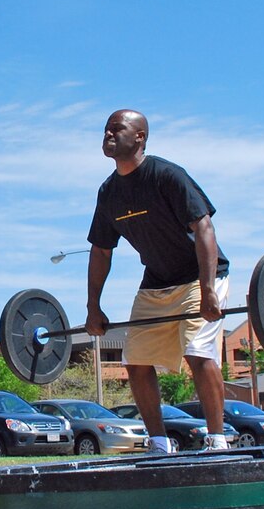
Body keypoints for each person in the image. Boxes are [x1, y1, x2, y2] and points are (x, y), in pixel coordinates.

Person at [85, 110, 230, 453]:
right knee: (135, 361)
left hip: (200, 276)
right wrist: (94, 307)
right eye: (105, 129)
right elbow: (101, 251)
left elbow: (204, 227)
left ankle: (218, 440)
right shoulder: (108, 193)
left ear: (140, 137)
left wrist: (209, 290)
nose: (108, 134)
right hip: (157, 281)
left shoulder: (167, 175)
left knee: (198, 353)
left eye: (116, 129)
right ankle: (160, 442)